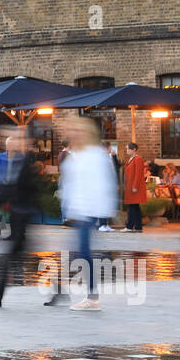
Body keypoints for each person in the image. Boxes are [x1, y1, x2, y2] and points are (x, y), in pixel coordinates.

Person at [47, 118, 117, 310]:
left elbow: (103, 185)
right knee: (80, 252)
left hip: (88, 211)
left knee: (83, 253)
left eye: (77, 130)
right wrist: (69, 208)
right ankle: (81, 294)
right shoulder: (78, 154)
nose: (73, 133)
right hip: (79, 211)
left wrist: (95, 211)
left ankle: (91, 297)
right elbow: (72, 184)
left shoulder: (94, 155)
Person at [0, 126, 40, 306]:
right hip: (17, 213)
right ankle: (58, 291)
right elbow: (5, 187)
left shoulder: (25, 162)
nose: (11, 140)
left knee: (13, 257)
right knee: (19, 257)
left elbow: (18, 188)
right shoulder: (15, 161)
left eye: (15, 138)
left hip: (24, 214)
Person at [122, 142, 146, 233]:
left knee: (133, 206)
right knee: (135, 207)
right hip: (131, 186)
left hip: (134, 187)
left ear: (134, 149)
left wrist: (135, 186)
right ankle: (138, 227)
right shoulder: (131, 159)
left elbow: (138, 174)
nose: (126, 150)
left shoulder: (138, 159)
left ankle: (130, 226)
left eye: (128, 149)